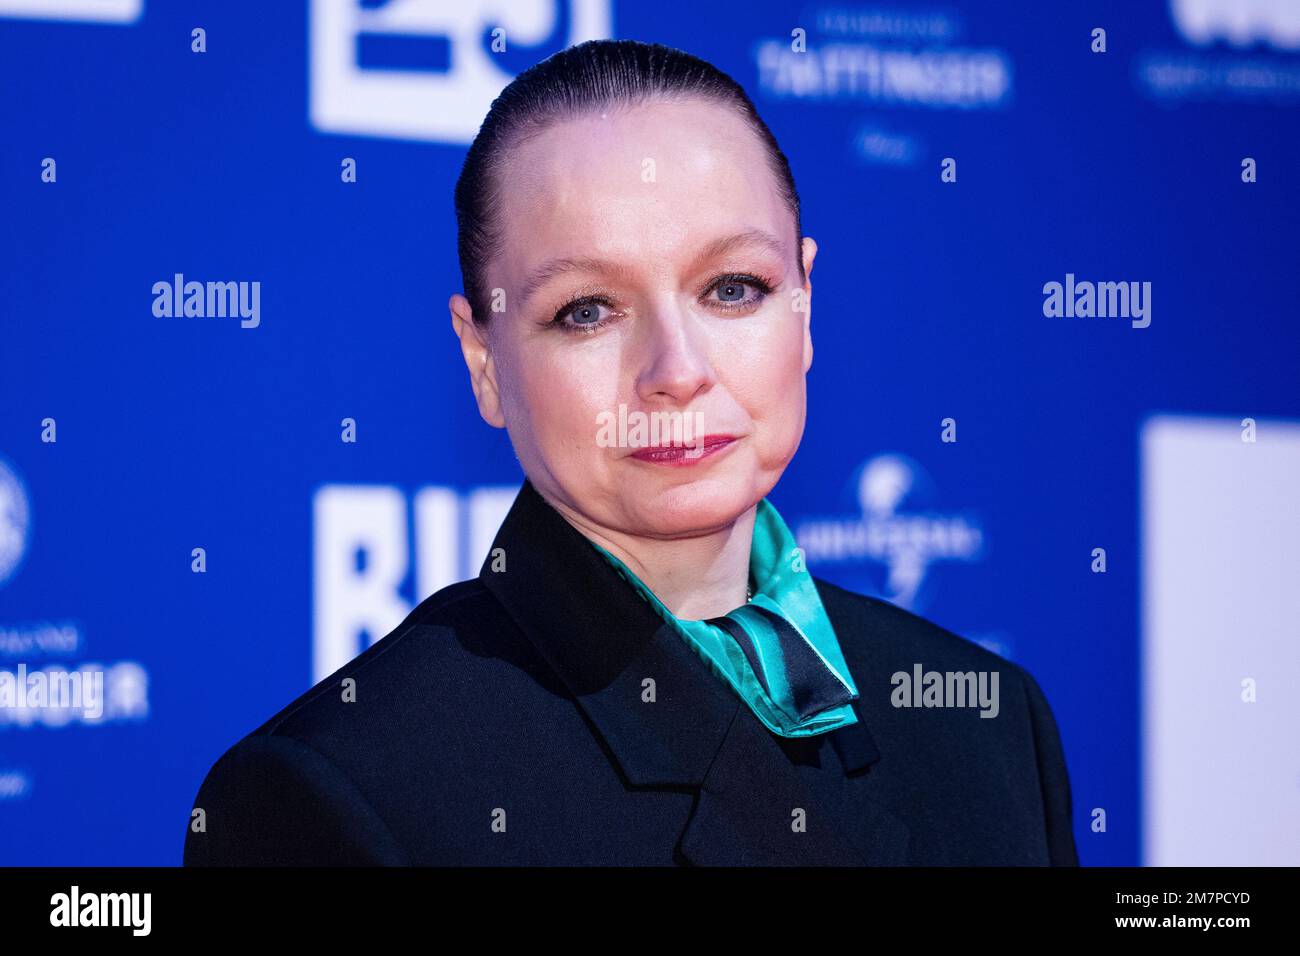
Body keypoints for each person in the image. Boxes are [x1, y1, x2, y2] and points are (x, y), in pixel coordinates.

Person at [183, 38, 1078, 866]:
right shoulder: (338, 798)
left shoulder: (990, 720)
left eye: (734, 288)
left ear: (806, 305)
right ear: (484, 360)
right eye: (587, 310)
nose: (676, 372)